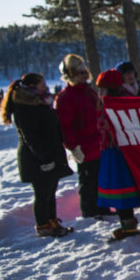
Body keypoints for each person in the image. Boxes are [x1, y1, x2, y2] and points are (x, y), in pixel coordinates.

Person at [1, 73, 74, 236]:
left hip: (49, 153)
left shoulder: (41, 102)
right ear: (33, 86)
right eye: (42, 84)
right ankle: (43, 226)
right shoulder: (25, 105)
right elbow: (31, 136)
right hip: (36, 158)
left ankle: (52, 221)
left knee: (50, 190)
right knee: (42, 193)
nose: (46, 86)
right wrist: (44, 157)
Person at [54, 54, 109, 219]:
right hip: (85, 146)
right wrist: (72, 147)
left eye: (83, 71)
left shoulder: (88, 91)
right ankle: (90, 212)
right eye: (78, 72)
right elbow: (66, 126)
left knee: (101, 179)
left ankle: (103, 208)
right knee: (88, 181)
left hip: (99, 143)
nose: (82, 75)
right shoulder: (66, 97)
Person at [96, 69, 140, 241]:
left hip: (120, 152)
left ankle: (128, 224)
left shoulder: (121, 102)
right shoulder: (107, 102)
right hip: (111, 150)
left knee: (122, 188)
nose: (100, 93)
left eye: (103, 89)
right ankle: (127, 223)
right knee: (119, 189)